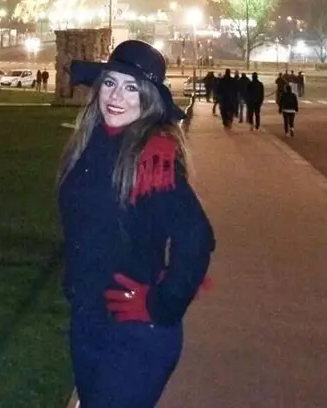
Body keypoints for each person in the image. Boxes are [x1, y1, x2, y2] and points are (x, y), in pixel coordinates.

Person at [57, 40, 215, 408]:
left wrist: (161, 304)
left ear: (149, 99)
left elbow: (196, 237)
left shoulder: (151, 157)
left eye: (132, 88)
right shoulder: (89, 144)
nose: (116, 96)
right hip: (88, 320)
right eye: (110, 83)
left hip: (134, 332)